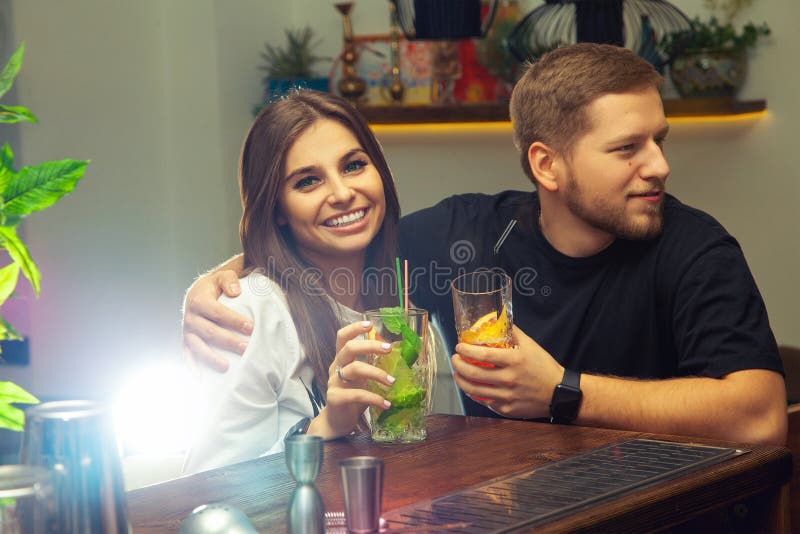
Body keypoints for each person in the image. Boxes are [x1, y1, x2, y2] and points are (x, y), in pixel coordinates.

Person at [182, 44, 786, 446]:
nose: (659, 166)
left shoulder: (695, 247)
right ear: (546, 166)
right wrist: (235, 278)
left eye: (660, 140)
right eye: (628, 148)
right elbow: (336, 239)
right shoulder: (462, 235)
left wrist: (561, 390)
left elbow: (760, 417)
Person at [182, 90, 441, 474]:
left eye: (353, 166)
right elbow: (209, 493)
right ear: (277, 209)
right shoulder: (249, 314)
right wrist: (322, 428)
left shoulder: (403, 293)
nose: (342, 193)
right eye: (307, 181)